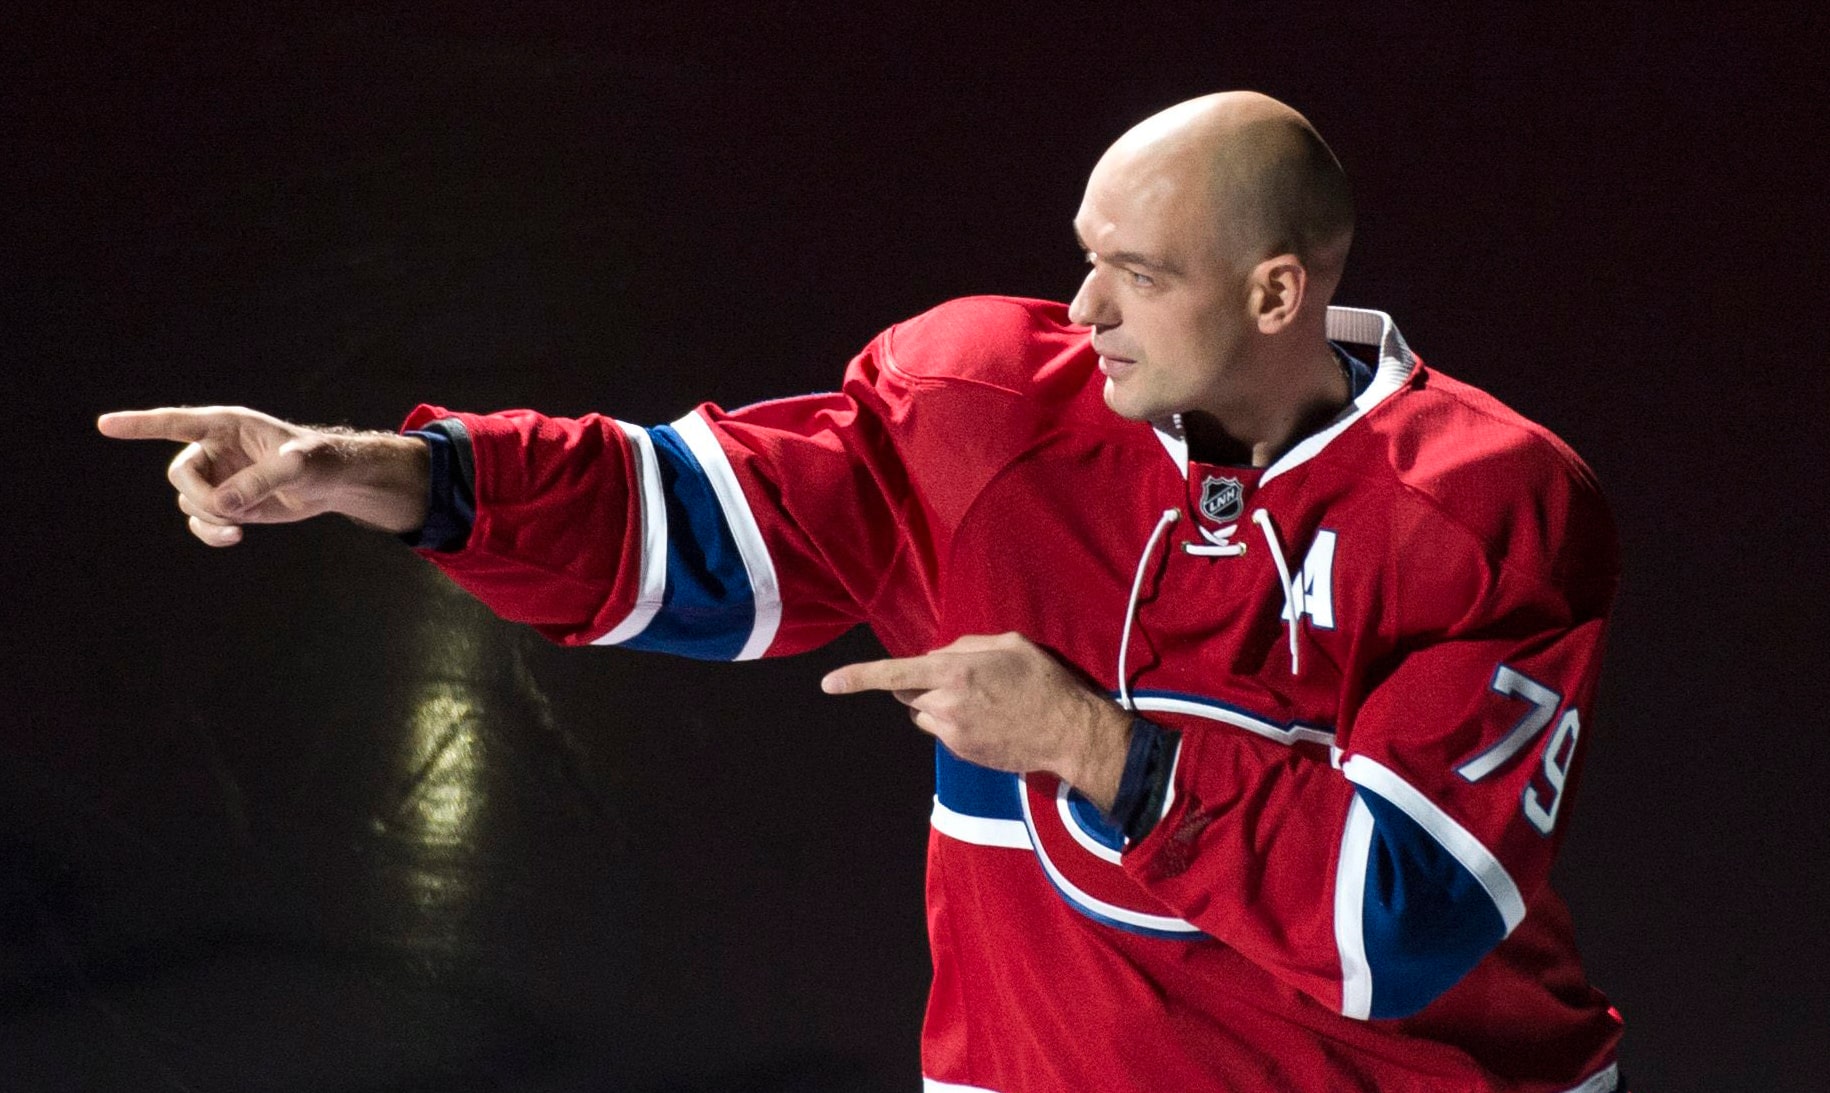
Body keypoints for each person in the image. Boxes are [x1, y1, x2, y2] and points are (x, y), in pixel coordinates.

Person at [100, 91, 1625, 1092]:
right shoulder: (988, 406)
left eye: (1138, 273)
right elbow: (677, 520)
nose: (1080, 306)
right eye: (1081, 258)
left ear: (1276, 291)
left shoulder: (1483, 506)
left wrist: (1097, 746)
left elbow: (1399, 916)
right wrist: (386, 474)